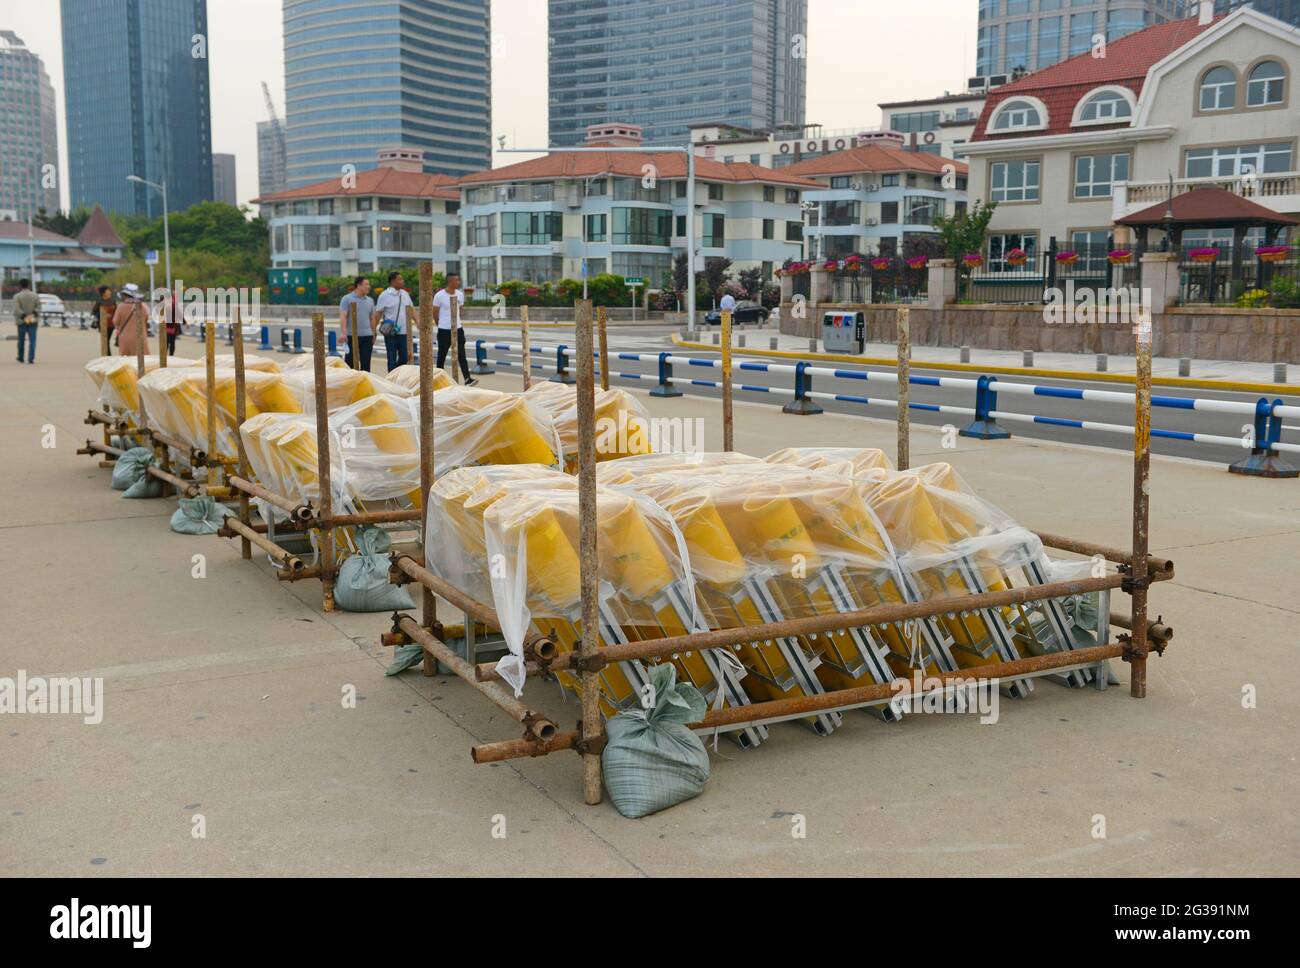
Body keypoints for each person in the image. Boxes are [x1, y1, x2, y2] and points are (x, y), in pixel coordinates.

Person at [432, 271, 475, 385]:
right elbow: (435, 313)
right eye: (456, 280)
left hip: (458, 329)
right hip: (444, 329)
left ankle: (467, 378)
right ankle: (438, 379)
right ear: (450, 281)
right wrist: (440, 323)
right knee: (442, 355)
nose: (458, 282)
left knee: (461, 354)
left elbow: (461, 309)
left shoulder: (460, 294)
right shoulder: (439, 295)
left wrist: (458, 318)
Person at [375, 271, 413, 372]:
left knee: (404, 357)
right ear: (393, 281)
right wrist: (373, 329)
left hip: (403, 331)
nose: (402, 281)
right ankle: (391, 377)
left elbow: (411, 309)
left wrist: (417, 321)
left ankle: (397, 372)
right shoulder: (384, 295)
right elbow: (378, 313)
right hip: (390, 331)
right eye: (400, 279)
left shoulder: (405, 294)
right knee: (391, 356)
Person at [339, 276, 376, 370]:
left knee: (366, 363)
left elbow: (372, 318)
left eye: (369, 284)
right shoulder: (347, 299)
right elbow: (343, 316)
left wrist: (374, 333)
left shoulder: (370, 300)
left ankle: (364, 383)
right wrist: (343, 333)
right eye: (366, 284)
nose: (369, 286)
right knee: (350, 363)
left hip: (367, 336)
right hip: (351, 336)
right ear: (358, 285)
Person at [111, 283, 151, 358]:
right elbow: (146, 319)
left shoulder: (121, 307)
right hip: (141, 336)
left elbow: (115, 322)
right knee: (142, 358)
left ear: (125, 295)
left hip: (125, 337)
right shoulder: (143, 306)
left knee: (126, 360)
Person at [12, 279, 39, 364]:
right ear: (29, 285)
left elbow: (17, 309)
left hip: (21, 321)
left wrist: (24, 317)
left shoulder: (17, 296)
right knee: (32, 340)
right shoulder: (35, 296)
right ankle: (31, 358)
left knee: (21, 340)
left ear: (20, 285)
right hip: (33, 320)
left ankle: (20, 357)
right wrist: (31, 316)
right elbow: (38, 308)